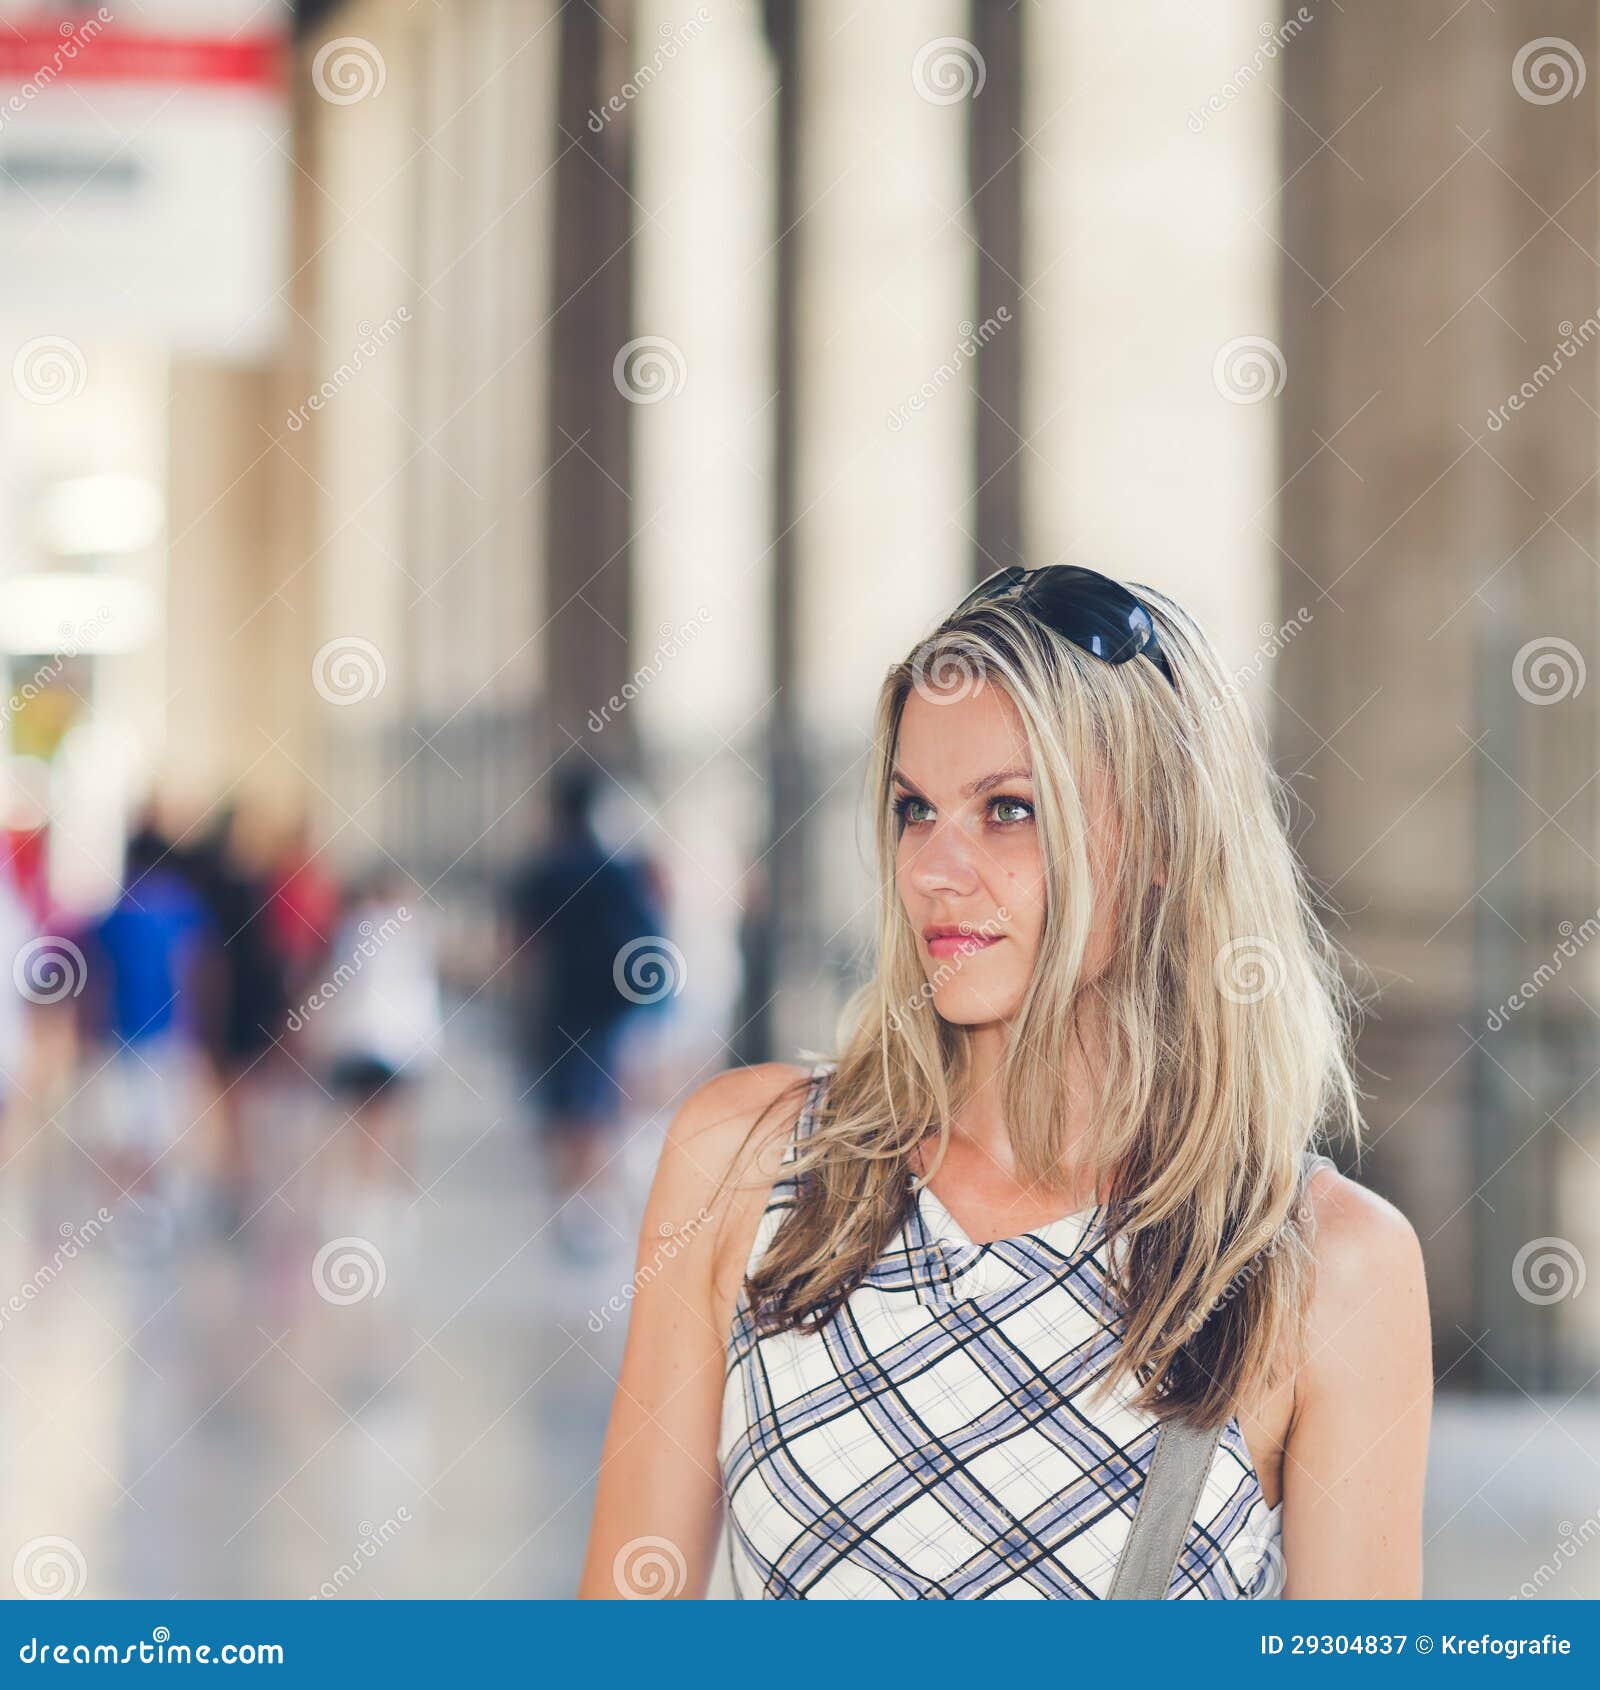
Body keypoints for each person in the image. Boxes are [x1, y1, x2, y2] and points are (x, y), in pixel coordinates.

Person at [579, 566, 1432, 1601]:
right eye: (913, 808)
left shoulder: (1323, 1262)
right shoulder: (744, 1160)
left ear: (1162, 839)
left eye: (1009, 810)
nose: (935, 867)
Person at [508, 765, 667, 1261]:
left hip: (560, 1006)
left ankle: (573, 1209)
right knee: (601, 1105)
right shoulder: (615, 869)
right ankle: (596, 1210)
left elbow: (520, 948)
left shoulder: (544, 870)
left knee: (566, 1111)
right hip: (609, 1008)